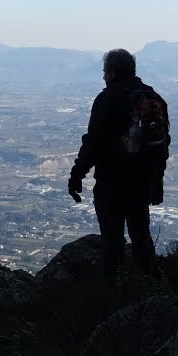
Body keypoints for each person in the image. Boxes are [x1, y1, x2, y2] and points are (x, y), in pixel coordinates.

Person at [68, 49, 169, 282]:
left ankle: (113, 291)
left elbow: (93, 142)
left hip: (112, 182)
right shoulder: (154, 98)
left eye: (105, 71)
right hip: (142, 181)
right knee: (141, 235)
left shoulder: (108, 98)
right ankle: (150, 288)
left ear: (112, 72)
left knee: (112, 240)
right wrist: (157, 182)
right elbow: (162, 146)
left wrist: (77, 175)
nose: (103, 76)